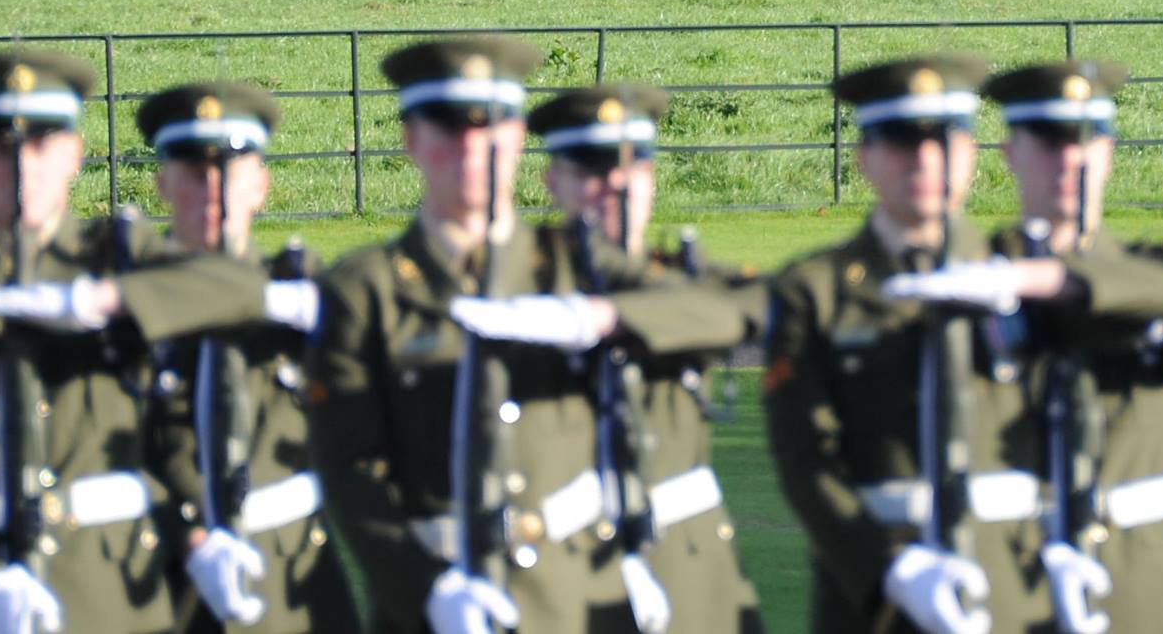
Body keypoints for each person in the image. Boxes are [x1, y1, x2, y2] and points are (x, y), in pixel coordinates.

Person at [306, 37, 744, 634]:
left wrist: (597, 318)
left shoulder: (572, 261)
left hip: (575, 596)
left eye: (493, 125)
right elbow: (349, 469)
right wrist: (425, 591)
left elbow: (719, 314)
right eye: (448, 125)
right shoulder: (364, 287)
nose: (473, 146)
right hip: (437, 597)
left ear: (517, 138)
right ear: (411, 139)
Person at [0, 50, 268, 634]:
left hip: (111, 591)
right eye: (1, 145)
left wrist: (107, 300)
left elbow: (241, 286)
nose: (23, 164)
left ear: (75, 154)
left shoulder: (118, 256)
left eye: (43, 143)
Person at [765, 54, 1076, 634]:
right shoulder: (816, 289)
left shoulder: (1026, 272)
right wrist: (890, 569)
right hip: (879, 595)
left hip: (1013, 586)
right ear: (865, 157)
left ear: (971, 153)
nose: (927, 160)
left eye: (946, 141)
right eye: (902, 141)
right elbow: (804, 460)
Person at [982, 59, 1163, 634]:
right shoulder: (976, 276)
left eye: (1088, 141)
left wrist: (1071, 286)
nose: (1071, 160)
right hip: (1008, 570)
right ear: (1010, 152)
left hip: (1146, 578)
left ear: (1110, 152)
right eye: (1049, 142)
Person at [527, 84, 765, 634]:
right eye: (591, 169)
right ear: (553, 180)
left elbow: (760, 306)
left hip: (689, 567)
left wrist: (610, 316)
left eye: (631, 167)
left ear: (651, 178)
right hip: (561, 566)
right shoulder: (524, 285)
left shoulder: (686, 278)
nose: (614, 184)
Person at [136, 81, 362, 634]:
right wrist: (186, 533)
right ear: (163, 184)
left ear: (261, 184)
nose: (214, 190)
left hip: (292, 582)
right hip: (160, 582)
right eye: (195, 173)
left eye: (232, 173)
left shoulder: (303, 295)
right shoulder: (124, 304)